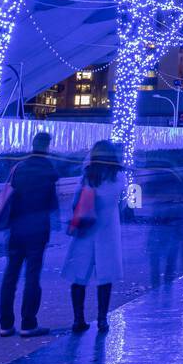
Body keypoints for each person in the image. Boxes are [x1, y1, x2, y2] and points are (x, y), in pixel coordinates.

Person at [0, 131, 59, 337]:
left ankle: (5, 325)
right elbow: (52, 204)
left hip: (16, 228)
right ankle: (28, 323)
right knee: (32, 275)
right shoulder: (48, 169)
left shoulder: (19, 167)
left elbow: (10, 194)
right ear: (48, 146)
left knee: (10, 275)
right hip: (38, 229)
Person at [61, 140, 125, 333]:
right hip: (108, 232)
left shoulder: (87, 177)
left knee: (79, 276)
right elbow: (121, 203)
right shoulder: (119, 177)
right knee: (105, 278)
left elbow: (75, 203)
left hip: (86, 231)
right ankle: (102, 319)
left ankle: (78, 319)